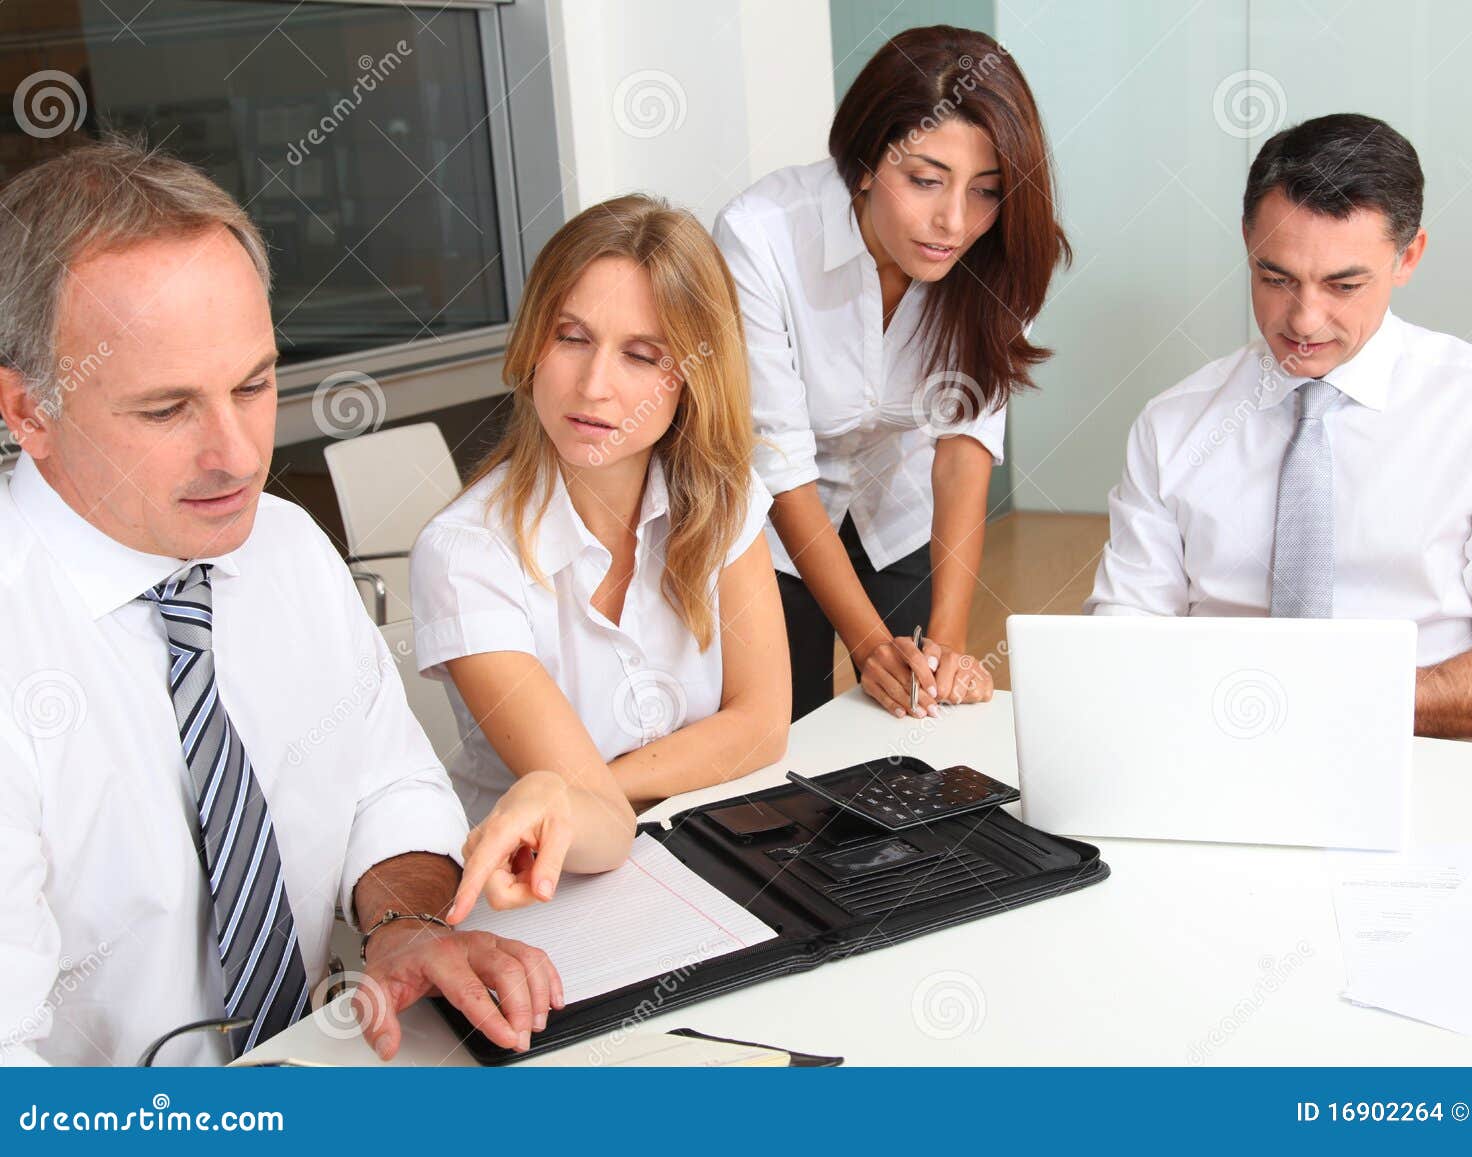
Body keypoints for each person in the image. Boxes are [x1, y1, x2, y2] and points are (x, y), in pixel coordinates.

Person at [0, 138, 633, 1066]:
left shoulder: (285, 546)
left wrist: (408, 924)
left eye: (254, 385)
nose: (238, 454)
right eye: (166, 409)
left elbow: (387, 784)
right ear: (27, 413)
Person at [1086, 113, 1472, 741]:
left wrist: (1334, 701)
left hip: (1428, 766)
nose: (1303, 320)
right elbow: (1125, 630)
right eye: (1274, 278)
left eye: (1344, 284)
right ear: (1247, 241)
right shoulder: (1174, 422)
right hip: (1217, 750)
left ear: (1408, 256)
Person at [409, 194, 789, 853]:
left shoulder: (726, 497)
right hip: (539, 891)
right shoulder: (464, 553)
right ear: (533, 344)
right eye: (572, 337)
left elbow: (760, 726)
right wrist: (589, 800)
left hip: (696, 841)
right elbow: (599, 835)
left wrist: (590, 790)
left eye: (642, 355)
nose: (592, 386)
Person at [713, 24, 1070, 721]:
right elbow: (781, 465)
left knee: (922, 711)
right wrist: (870, 644)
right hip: (771, 520)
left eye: (985, 191)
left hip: (896, 508)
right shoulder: (761, 237)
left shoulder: (1004, 255)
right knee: (791, 722)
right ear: (867, 160)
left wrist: (949, 644)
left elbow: (965, 454)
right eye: (925, 181)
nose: (954, 223)